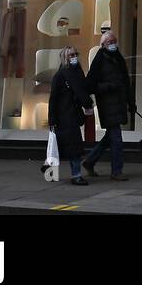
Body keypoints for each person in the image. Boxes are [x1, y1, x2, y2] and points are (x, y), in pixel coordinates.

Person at [84, 31, 135, 180]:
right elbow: (90, 85)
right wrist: (109, 86)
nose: (113, 44)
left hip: (118, 103)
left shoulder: (118, 57)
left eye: (114, 41)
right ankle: (116, 171)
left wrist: (131, 103)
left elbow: (126, 82)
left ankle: (89, 161)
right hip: (107, 105)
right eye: (110, 42)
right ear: (103, 45)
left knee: (110, 138)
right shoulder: (99, 59)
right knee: (117, 139)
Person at [48, 46, 93, 185]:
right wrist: (52, 119)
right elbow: (53, 98)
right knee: (72, 147)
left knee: (68, 147)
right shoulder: (61, 75)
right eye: (71, 55)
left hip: (73, 114)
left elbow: (82, 90)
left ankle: (51, 172)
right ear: (65, 58)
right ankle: (76, 175)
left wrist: (87, 104)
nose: (74, 57)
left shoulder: (77, 72)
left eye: (75, 54)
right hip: (64, 116)